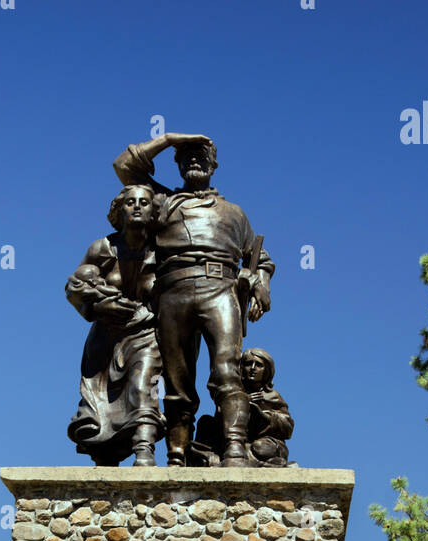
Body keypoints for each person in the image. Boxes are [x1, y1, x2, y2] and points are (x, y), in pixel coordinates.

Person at [112, 131, 274, 467]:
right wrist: (170, 138)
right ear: (179, 165)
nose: (195, 161)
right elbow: (125, 166)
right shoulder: (162, 202)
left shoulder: (234, 213)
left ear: (215, 164)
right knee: (176, 380)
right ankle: (176, 455)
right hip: (174, 291)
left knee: (228, 371)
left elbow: (262, 259)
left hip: (221, 290)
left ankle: (233, 449)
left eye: (201, 156)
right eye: (187, 157)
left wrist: (261, 283)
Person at [66, 185, 164, 466]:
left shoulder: (164, 250)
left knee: (143, 384)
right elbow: (74, 288)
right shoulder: (102, 248)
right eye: (129, 202)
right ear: (118, 210)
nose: (136, 206)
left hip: (146, 331)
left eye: (143, 202)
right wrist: (96, 305)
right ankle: (105, 458)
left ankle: (144, 451)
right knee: (99, 401)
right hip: (106, 336)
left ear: (153, 210)